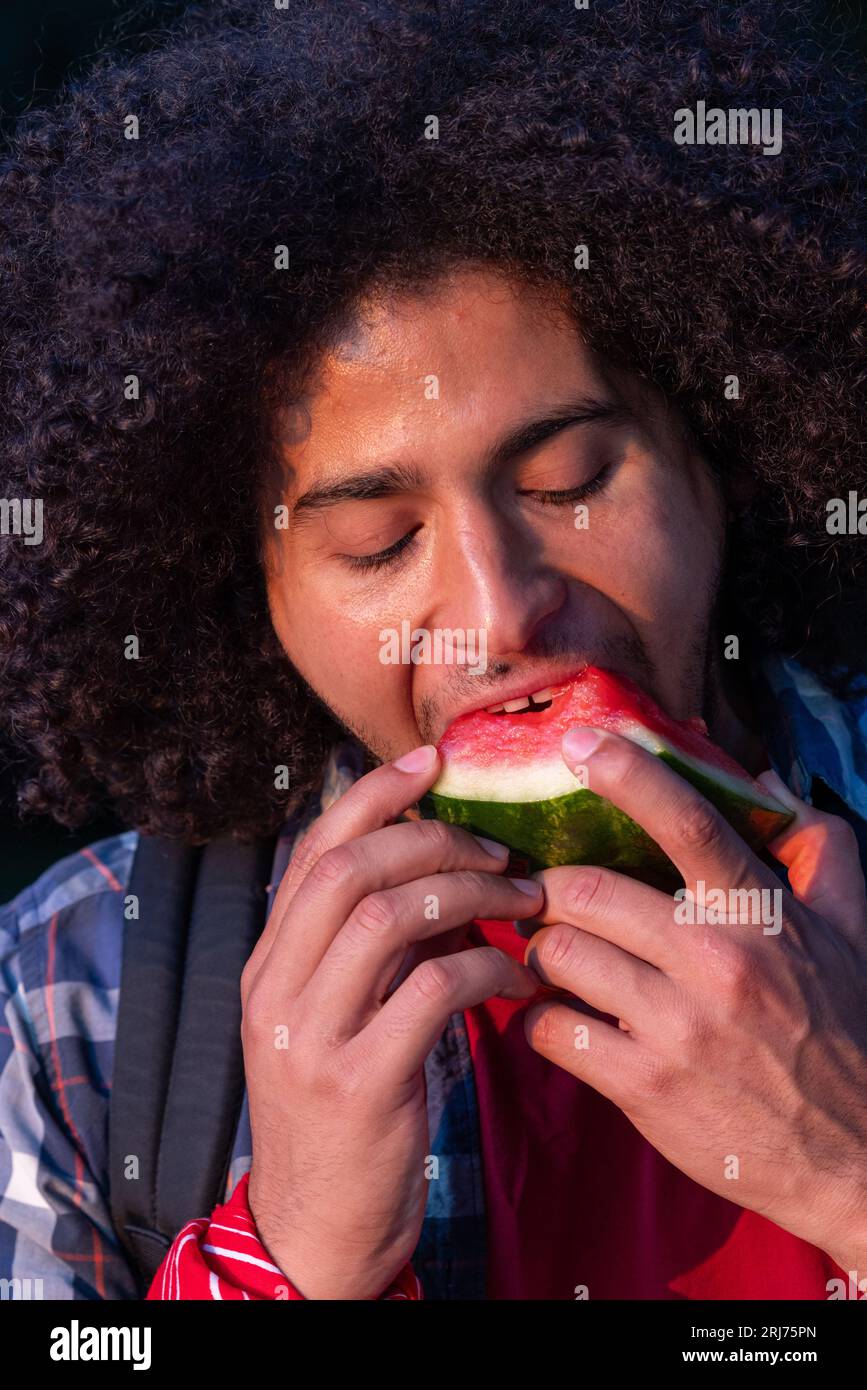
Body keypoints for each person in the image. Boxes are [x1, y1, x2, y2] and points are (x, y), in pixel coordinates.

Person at [1, 0, 866, 1301]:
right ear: (254, 594)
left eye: (572, 478)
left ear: (721, 458)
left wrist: (847, 1164)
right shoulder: (73, 993)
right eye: (376, 542)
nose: (500, 610)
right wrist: (285, 1251)